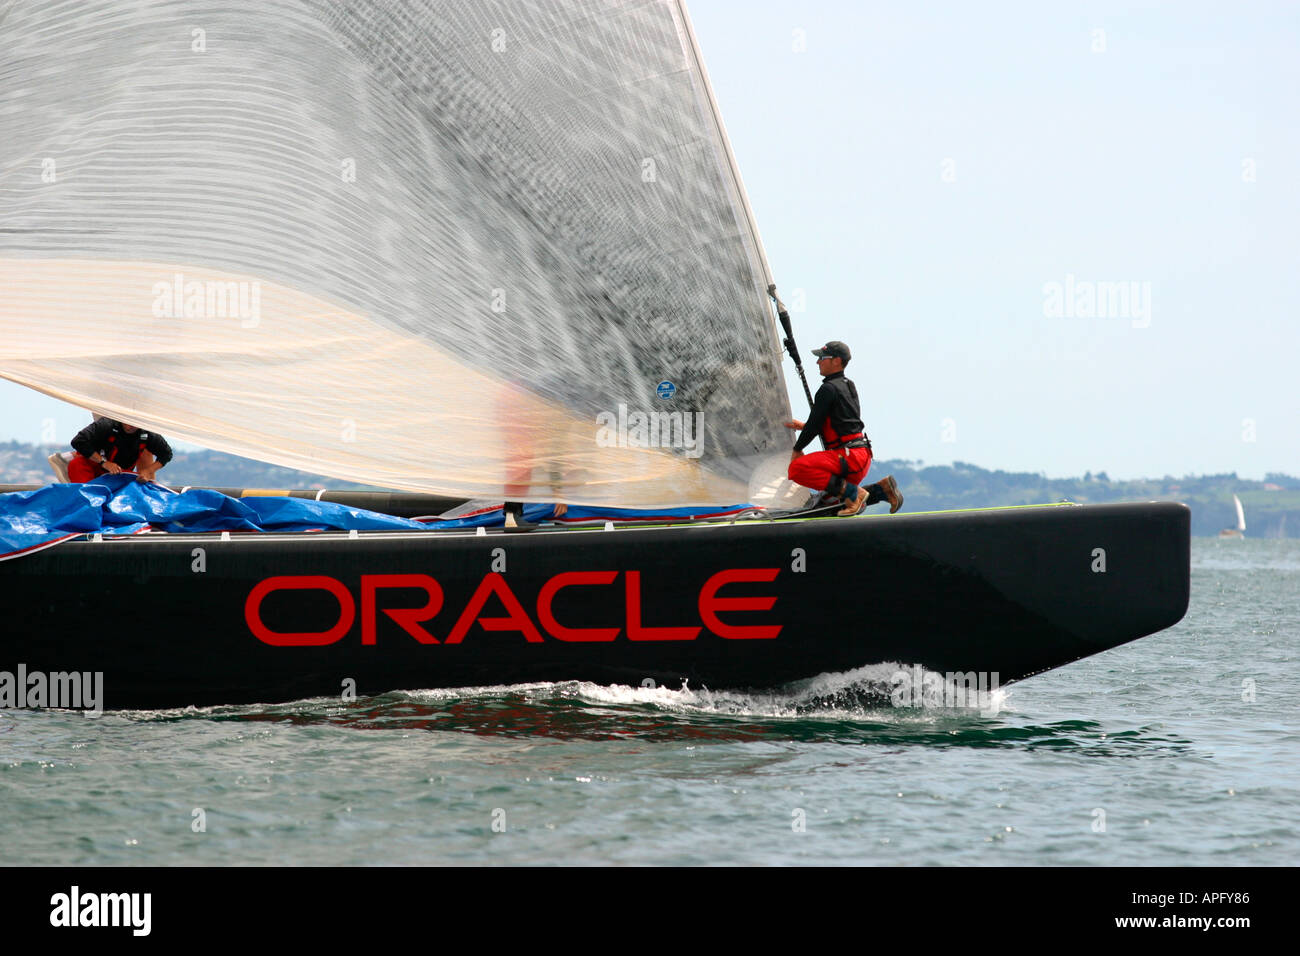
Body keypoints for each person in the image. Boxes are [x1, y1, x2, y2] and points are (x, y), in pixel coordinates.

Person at [783, 340, 903, 516]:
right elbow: (842, 421)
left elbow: (816, 424)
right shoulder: (848, 385)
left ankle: (856, 495)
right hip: (861, 456)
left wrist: (797, 449)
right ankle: (883, 489)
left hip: (848, 458)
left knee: (797, 469)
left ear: (836, 361)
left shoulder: (827, 389)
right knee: (830, 499)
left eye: (822, 358)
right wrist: (805, 426)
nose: (818, 362)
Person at [68, 418, 173, 483]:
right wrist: (104, 462)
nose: (129, 426)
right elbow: (78, 441)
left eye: (134, 423)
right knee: (76, 464)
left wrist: (148, 471)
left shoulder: (148, 434)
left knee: (141, 482)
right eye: (127, 421)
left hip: (120, 474)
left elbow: (166, 454)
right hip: (96, 465)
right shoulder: (106, 424)